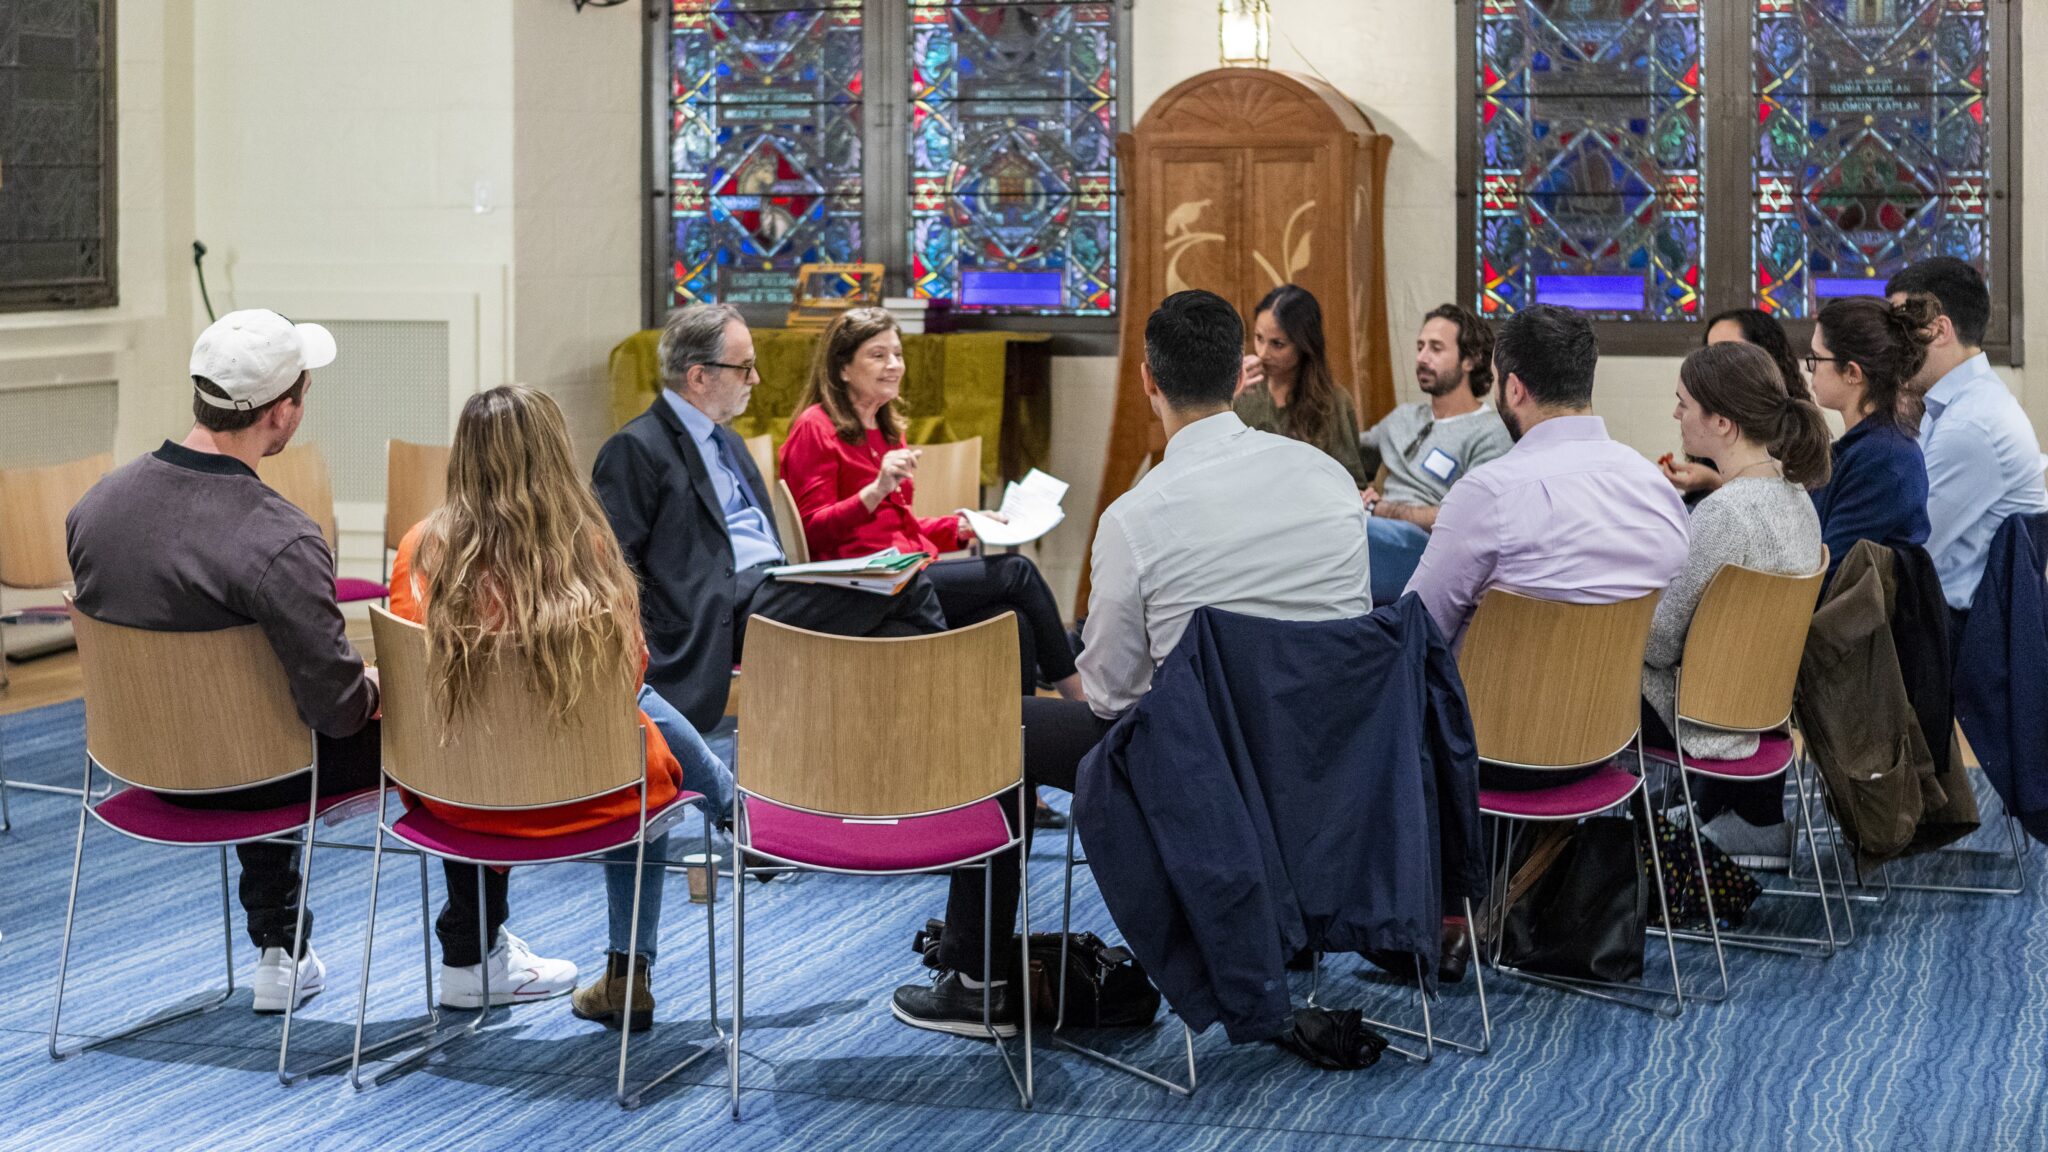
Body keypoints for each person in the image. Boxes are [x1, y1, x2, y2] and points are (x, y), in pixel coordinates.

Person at [890, 290, 1371, 1038]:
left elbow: (1112, 698)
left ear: (1149, 380)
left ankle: (974, 977)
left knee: (995, 729)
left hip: (1198, 773)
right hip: (1322, 763)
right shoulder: (1330, 481)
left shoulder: (1138, 517)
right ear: (1240, 375)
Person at [65, 310, 572, 1016]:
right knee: (462, 717)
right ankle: (474, 954)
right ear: (283, 413)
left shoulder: (93, 509)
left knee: (253, 708)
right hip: (262, 776)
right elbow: (336, 713)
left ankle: (280, 950)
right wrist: (380, 685)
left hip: (140, 764)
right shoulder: (278, 539)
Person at [388, 386, 733, 1031]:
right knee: (640, 750)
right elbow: (627, 678)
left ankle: (732, 803)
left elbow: (417, 681)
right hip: (587, 798)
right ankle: (630, 970)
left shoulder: (419, 550)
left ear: (463, 458)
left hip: (459, 796)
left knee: (632, 731)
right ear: (554, 454)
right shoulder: (589, 552)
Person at [592, 304, 947, 759]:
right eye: (744, 368)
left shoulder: (727, 440)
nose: (755, 379)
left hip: (774, 582)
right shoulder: (637, 447)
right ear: (699, 377)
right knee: (909, 583)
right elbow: (610, 563)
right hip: (720, 609)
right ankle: (947, 741)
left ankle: (880, 766)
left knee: (894, 625)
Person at [778, 308, 1082, 699]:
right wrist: (874, 490)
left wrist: (961, 527)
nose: (893, 366)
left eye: (898, 354)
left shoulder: (885, 429)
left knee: (1014, 620)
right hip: (865, 584)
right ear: (842, 369)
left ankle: (1021, 737)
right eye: (878, 355)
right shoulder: (814, 428)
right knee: (1017, 571)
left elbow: (899, 527)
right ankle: (1078, 697)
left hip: (909, 572)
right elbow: (813, 532)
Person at [1405, 303, 1688, 657]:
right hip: (1616, 710)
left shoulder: (1485, 494)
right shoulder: (1658, 492)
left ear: (1514, 390)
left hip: (1485, 709)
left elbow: (1416, 634)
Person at [1643, 342, 1830, 763]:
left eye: (1683, 403)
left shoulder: (1724, 514)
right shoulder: (1796, 493)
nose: (1676, 414)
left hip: (1702, 716)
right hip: (1765, 709)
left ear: (1723, 422)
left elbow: (1658, 647)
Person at [1886, 257, 2048, 623]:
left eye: (1900, 328)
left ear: (1939, 330)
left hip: (1962, 639)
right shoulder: (1954, 405)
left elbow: (1912, 548)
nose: (1892, 347)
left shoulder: (1971, 424)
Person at [1355, 303, 1514, 604]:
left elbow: (1473, 519)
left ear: (1470, 359)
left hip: (1425, 548)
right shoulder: (1403, 418)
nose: (1421, 358)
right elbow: (1346, 448)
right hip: (1373, 532)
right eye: (1419, 347)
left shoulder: (1490, 431)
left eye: (1436, 348)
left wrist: (1384, 509)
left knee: (1344, 535)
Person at [1805, 295, 1936, 581]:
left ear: (1852, 372)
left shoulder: (1885, 460)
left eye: (1816, 358)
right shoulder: (1865, 446)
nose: (1809, 368)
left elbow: (1828, 578)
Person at [1660, 307, 1812, 500]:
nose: (1714, 362)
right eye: (1710, 350)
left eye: (1729, 350)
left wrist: (1713, 481)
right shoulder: (1709, 423)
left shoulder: (1788, 427)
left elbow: (1759, 501)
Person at [1232, 284, 1369, 489]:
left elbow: (1352, 484)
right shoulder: (1242, 390)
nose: (1263, 353)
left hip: (1310, 510)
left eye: (1277, 344)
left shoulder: (1334, 401)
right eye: (1259, 338)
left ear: (1304, 344)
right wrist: (1227, 397)